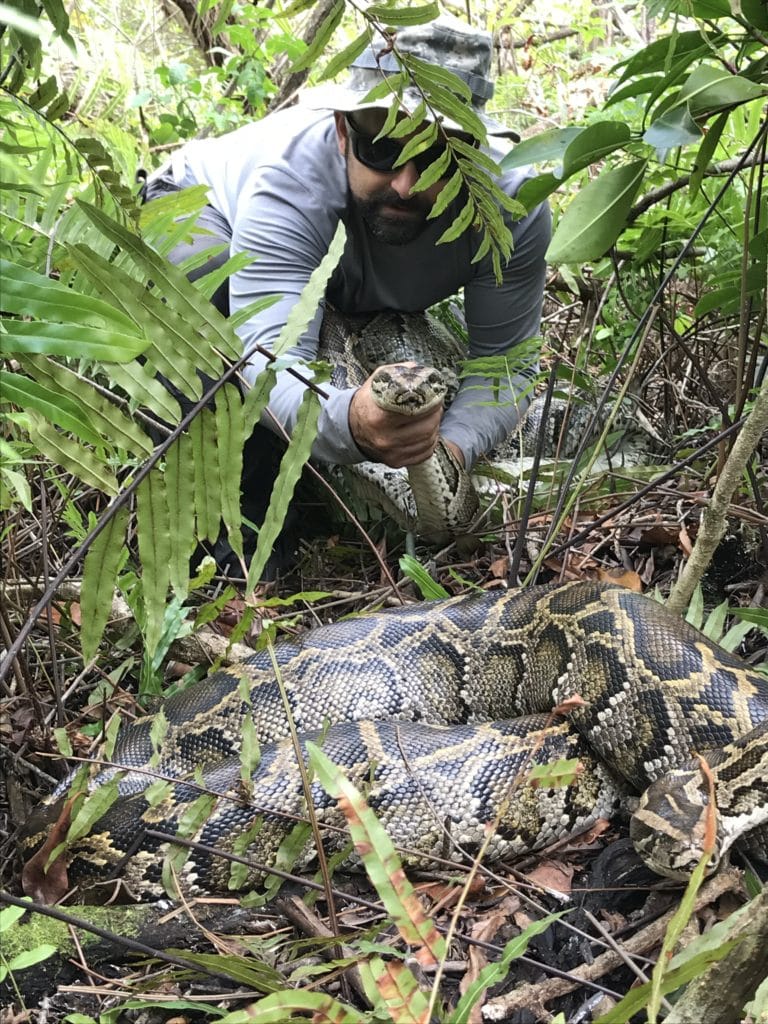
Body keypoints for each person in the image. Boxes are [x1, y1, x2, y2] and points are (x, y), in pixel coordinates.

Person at [142, 14, 551, 573]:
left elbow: (505, 362)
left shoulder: (512, 207)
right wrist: (352, 424)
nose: (405, 183)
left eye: (437, 155)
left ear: (475, 150)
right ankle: (231, 530)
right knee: (206, 284)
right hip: (205, 207)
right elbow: (267, 363)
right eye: (382, 147)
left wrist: (451, 451)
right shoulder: (290, 181)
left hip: (347, 264)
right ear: (342, 130)